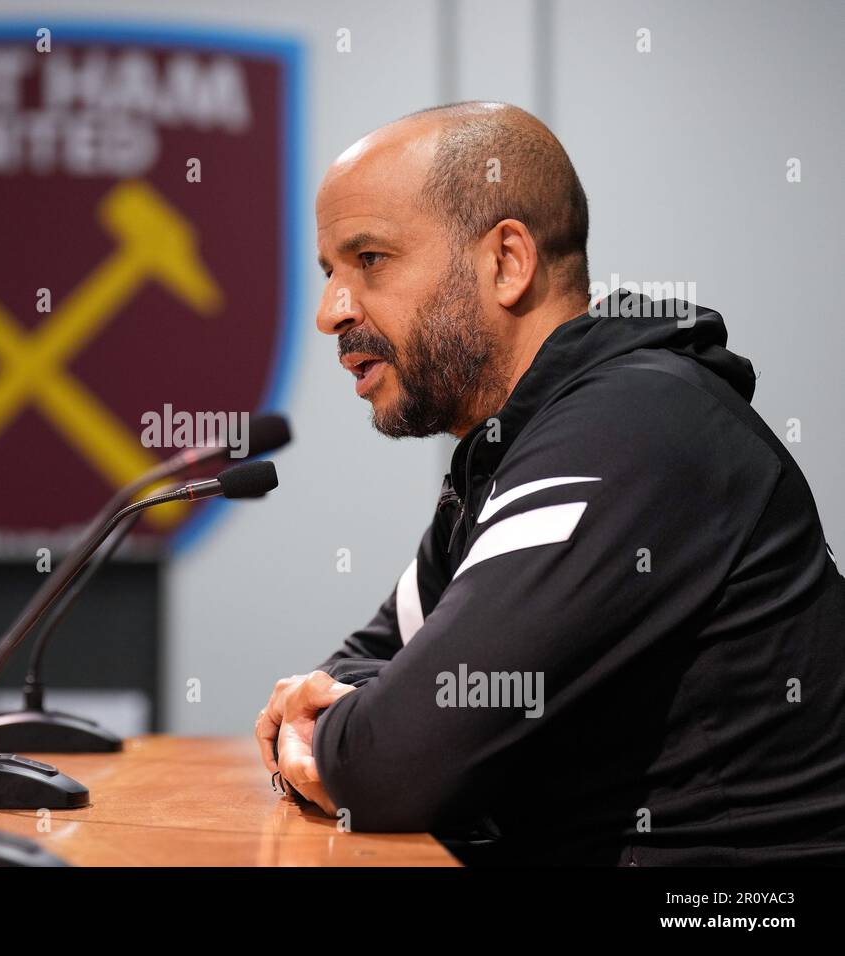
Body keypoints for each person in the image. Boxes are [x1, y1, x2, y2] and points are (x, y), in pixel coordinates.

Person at [256, 101, 845, 865]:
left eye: (369, 260)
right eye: (329, 271)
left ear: (507, 261)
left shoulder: (634, 422)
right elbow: (369, 664)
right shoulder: (510, 448)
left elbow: (391, 760)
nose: (331, 312)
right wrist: (364, 717)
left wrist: (339, 730)